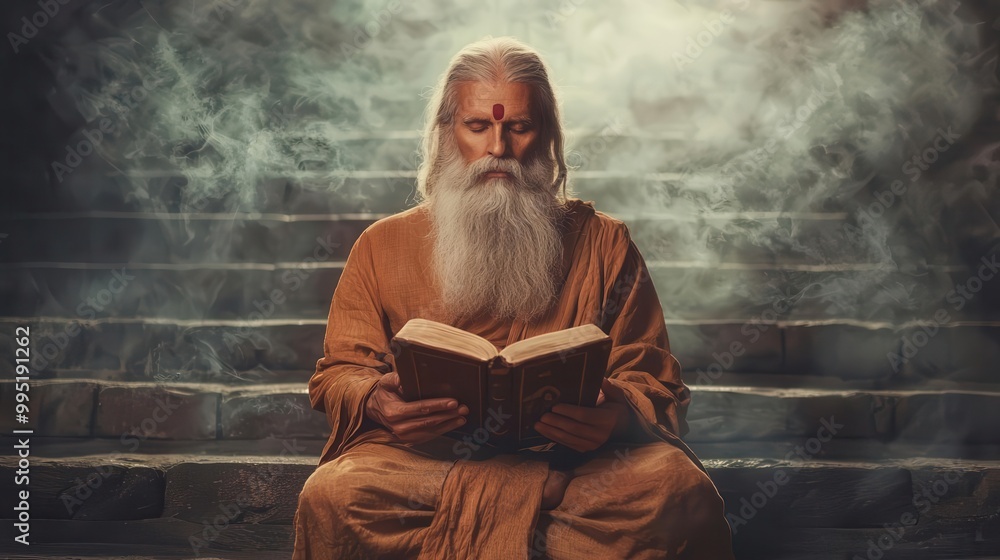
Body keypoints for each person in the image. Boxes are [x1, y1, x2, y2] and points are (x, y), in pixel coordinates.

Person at [292, 36, 735, 560]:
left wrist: (614, 414)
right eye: (478, 126)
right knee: (335, 497)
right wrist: (375, 400)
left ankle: (520, 497)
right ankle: (535, 502)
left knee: (676, 493)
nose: (498, 149)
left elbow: (651, 377)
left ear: (545, 134)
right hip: (427, 464)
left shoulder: (605, 242)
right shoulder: (381, 245)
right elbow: (340, 370)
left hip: (574, 464)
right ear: (446, 131)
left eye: (518, 127)